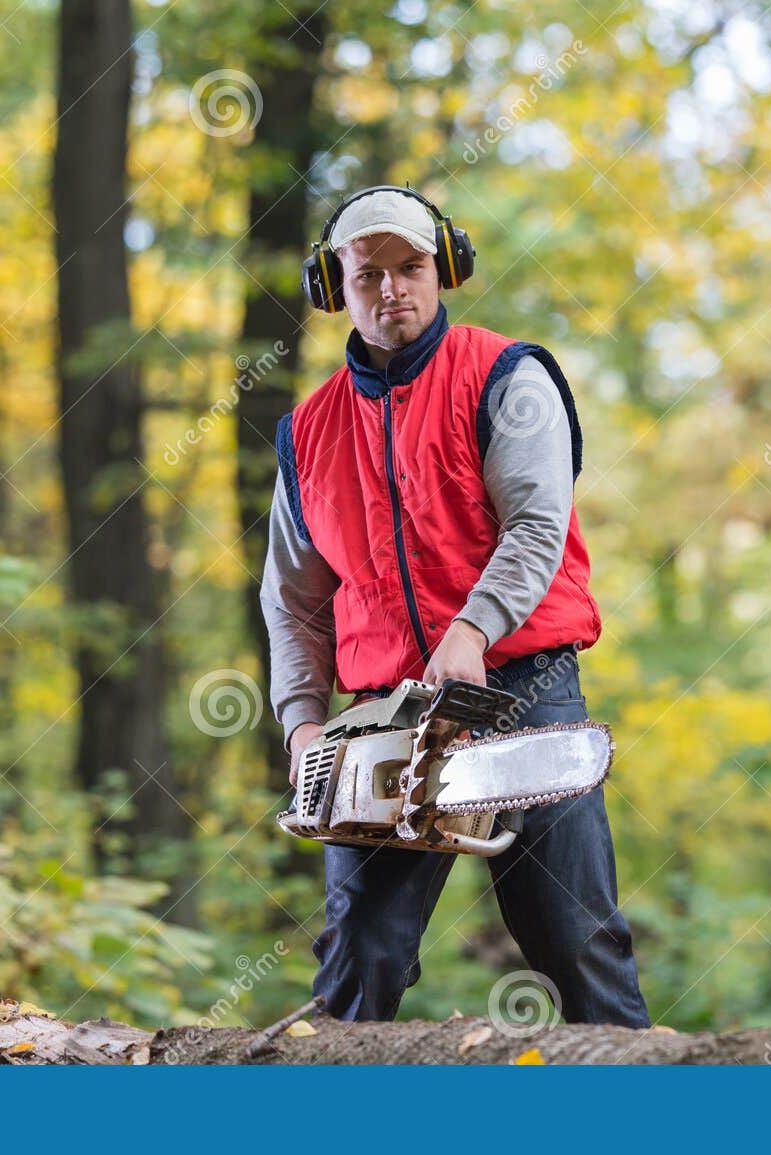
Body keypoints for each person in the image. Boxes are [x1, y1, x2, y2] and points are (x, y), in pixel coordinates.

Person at [260, 185, 650, 1026]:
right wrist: (301, 723)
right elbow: (293, 601)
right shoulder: (309, 431)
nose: (392, 288)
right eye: (369, 273)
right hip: (384, 717)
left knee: (573, 936)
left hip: (521, 683)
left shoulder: (510, 376)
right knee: (360, 948)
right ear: (337, 286)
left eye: (410, 267)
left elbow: (539, 523)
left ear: (445, 270)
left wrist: (473, 628)